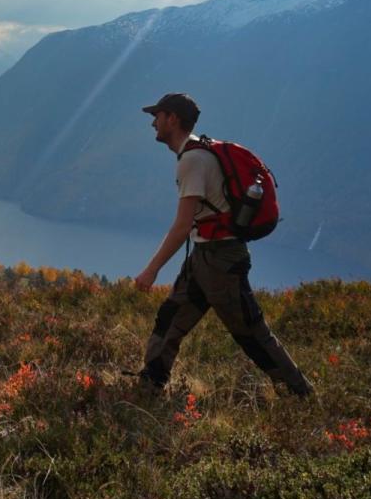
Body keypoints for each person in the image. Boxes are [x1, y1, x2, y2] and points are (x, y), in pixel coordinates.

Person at [133, 93, 313, 397]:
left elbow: (181, 226)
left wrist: (151, 271)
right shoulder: (199, 153)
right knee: (171, 317)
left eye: (158, 115)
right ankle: (149, 385)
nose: (153, 122)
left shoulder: (192, 161)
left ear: (172, 119)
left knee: (251, 333)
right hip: (207, 255)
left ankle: (300, 394)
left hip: (220, 261)